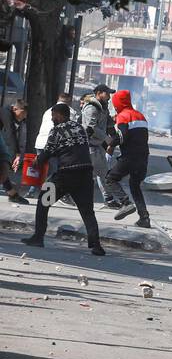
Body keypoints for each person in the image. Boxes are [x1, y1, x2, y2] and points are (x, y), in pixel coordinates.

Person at [20, 103, 105, 256]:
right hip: (85, 174)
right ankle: (96, 245)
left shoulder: (57, 130)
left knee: (43, 201)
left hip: (65, 175)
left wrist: (37, 161)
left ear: (60, 115)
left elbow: (48, 152)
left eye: (54, 116)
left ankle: (38, 237)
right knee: (87, 211)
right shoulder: (80, 128)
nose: (52, 119)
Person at [106, 89, 151, 228]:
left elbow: (122, 136)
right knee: (135, 185)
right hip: (143, 156)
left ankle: (126, 203)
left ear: (118, 103)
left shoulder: (123, 116)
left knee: (110, 179)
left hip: (130, 156)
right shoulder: (141, 116)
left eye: (115, 104)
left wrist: (111, 144)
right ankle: (144, 218)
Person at [81, 85, 127, 208]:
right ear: (99, 93)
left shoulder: (102, 107)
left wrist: (115, 133)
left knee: (101, 173)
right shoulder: (92, 108)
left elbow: (108, 123)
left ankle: (109, 199)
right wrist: (106, 138)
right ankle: (112, 199)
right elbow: (91, 127)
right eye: (107, 93)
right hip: (91, 146)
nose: (109, 97)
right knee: (103, 174)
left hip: (97, 146)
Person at [2, 98, 30, 204]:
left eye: (25, 115)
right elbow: (10, 132)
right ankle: (12, 194)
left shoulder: (10, 114)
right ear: (15, 109)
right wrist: (17, 154)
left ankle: (12, 194)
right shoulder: (6, 113)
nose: (23, 117)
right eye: (22, 114)